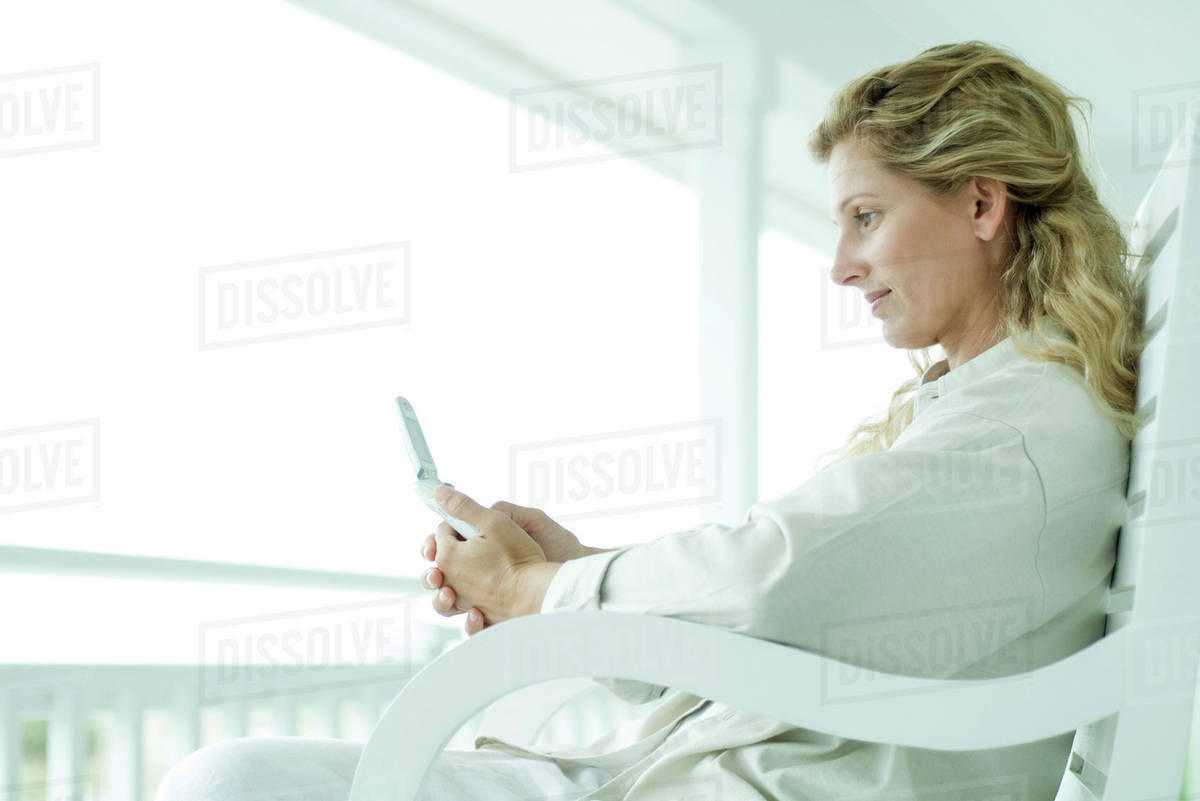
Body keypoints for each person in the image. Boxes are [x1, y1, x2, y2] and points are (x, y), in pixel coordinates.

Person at [154, 39, 1146, 801]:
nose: (840, 264)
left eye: (865, 217)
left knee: (231, 782)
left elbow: (768, 578)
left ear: (981, 206)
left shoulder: (1018, 428)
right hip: (675, 775)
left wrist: (551, 593)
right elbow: (774, 630)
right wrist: (568, 575)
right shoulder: (985, 409)